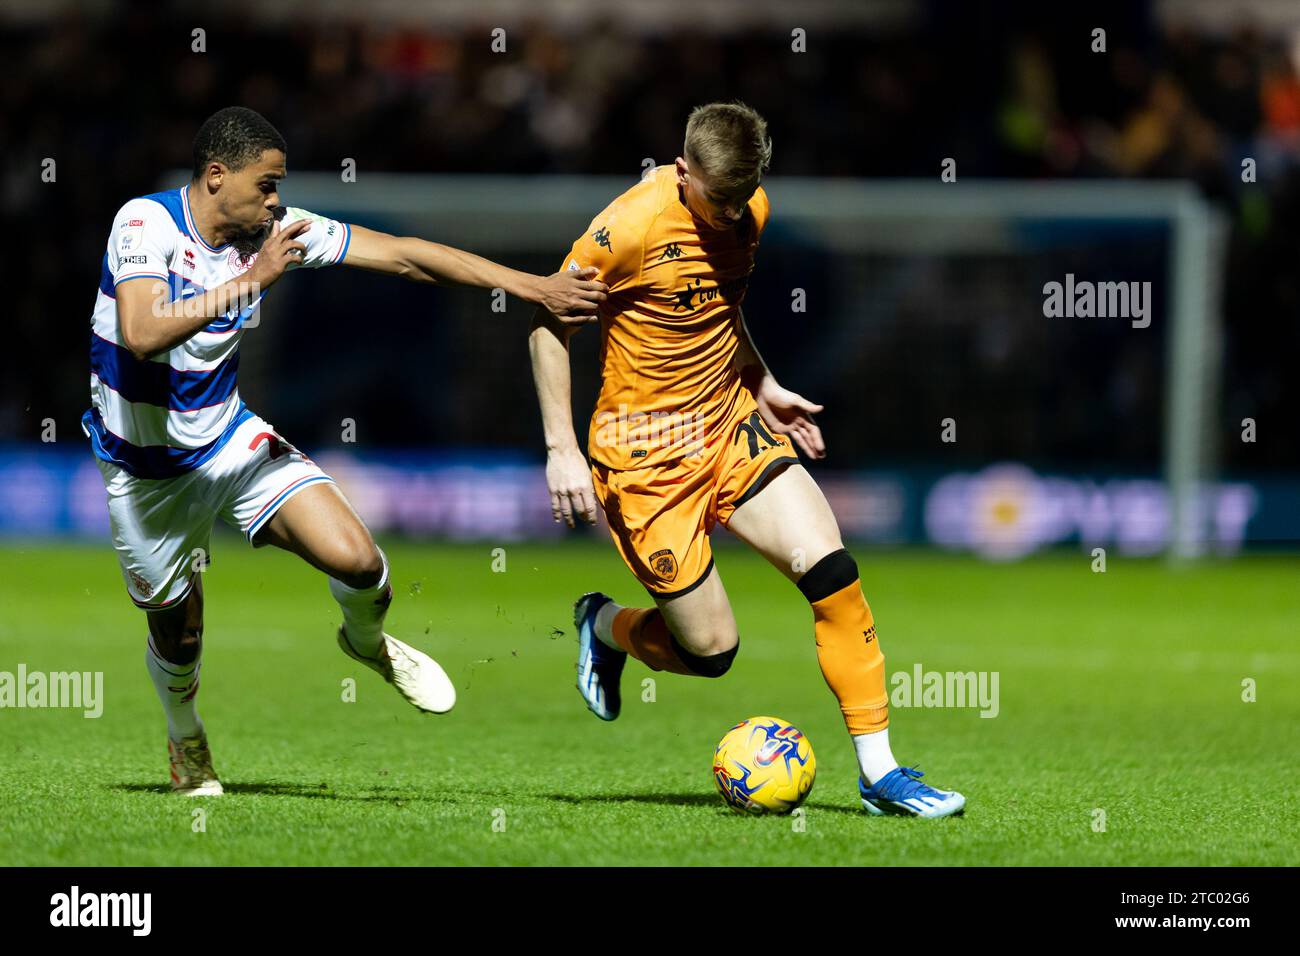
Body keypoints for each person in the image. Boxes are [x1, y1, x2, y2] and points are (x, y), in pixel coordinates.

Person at [87, 106, 607, 796]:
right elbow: (143, 332)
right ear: (217, 177)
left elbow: (403, 255)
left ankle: (365, 642)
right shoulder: (145, 225)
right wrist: (257, 279)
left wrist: (533, 286)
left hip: (228, 440)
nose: (276, 203)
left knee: (360, 563)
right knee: (179, 640)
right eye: (265, 186)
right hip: (144, 474)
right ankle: (186, 740)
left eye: (279, 188)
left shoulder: (273, 234)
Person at [528, 101, 964, 817]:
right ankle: (605, 625)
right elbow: (547, 323)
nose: (730, 213)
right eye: (715, 198)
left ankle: (881, 775)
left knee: (833, 573)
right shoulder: (624, 230)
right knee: (711, 652)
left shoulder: (750, 208)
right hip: (643, 462)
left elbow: (717, 310)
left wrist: (763, 385)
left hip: (728, 428)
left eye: (740, 199)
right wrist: (561, 448)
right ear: (680, 170)